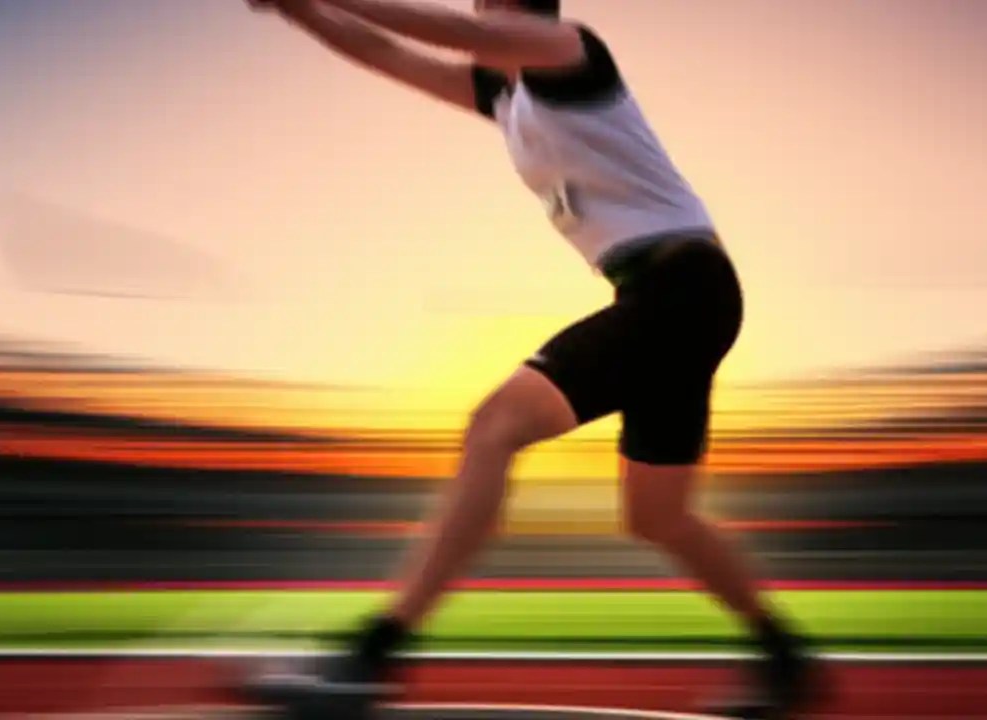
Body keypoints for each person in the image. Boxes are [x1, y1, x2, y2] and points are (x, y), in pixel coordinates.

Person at [246, 0, 819, 716]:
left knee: (494, 425)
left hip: (679, 288)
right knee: (659, 519)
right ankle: (788, 659)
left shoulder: (568, 50)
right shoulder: (507, 93)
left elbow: (464, 35)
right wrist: (302, 12)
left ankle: (372, 657)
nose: (471, 7)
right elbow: (389, 56)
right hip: (669, 297)